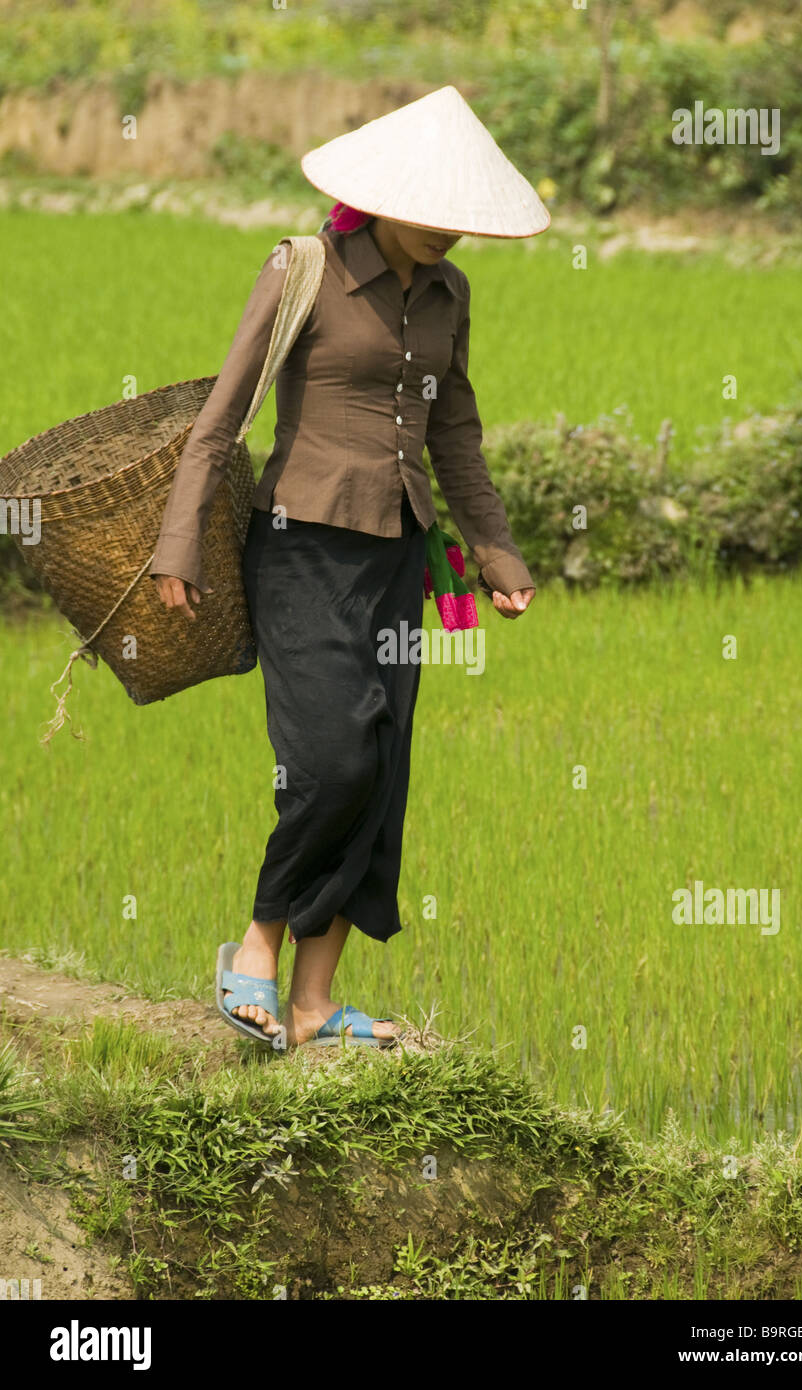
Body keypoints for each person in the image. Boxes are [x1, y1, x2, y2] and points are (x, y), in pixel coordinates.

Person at [149, 86, 548, 1048]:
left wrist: (496, 554)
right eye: (434, 213)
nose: (451, 233)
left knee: (379, 770)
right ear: (383, 195)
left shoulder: (451, 295)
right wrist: (179, 538)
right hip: (300, 545)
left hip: (397, 556)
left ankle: (316, 1002)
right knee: (328, 762)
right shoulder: (303, 270)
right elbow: (225, 415)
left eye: (464, 219)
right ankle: (253, 948)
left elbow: (456, 440)